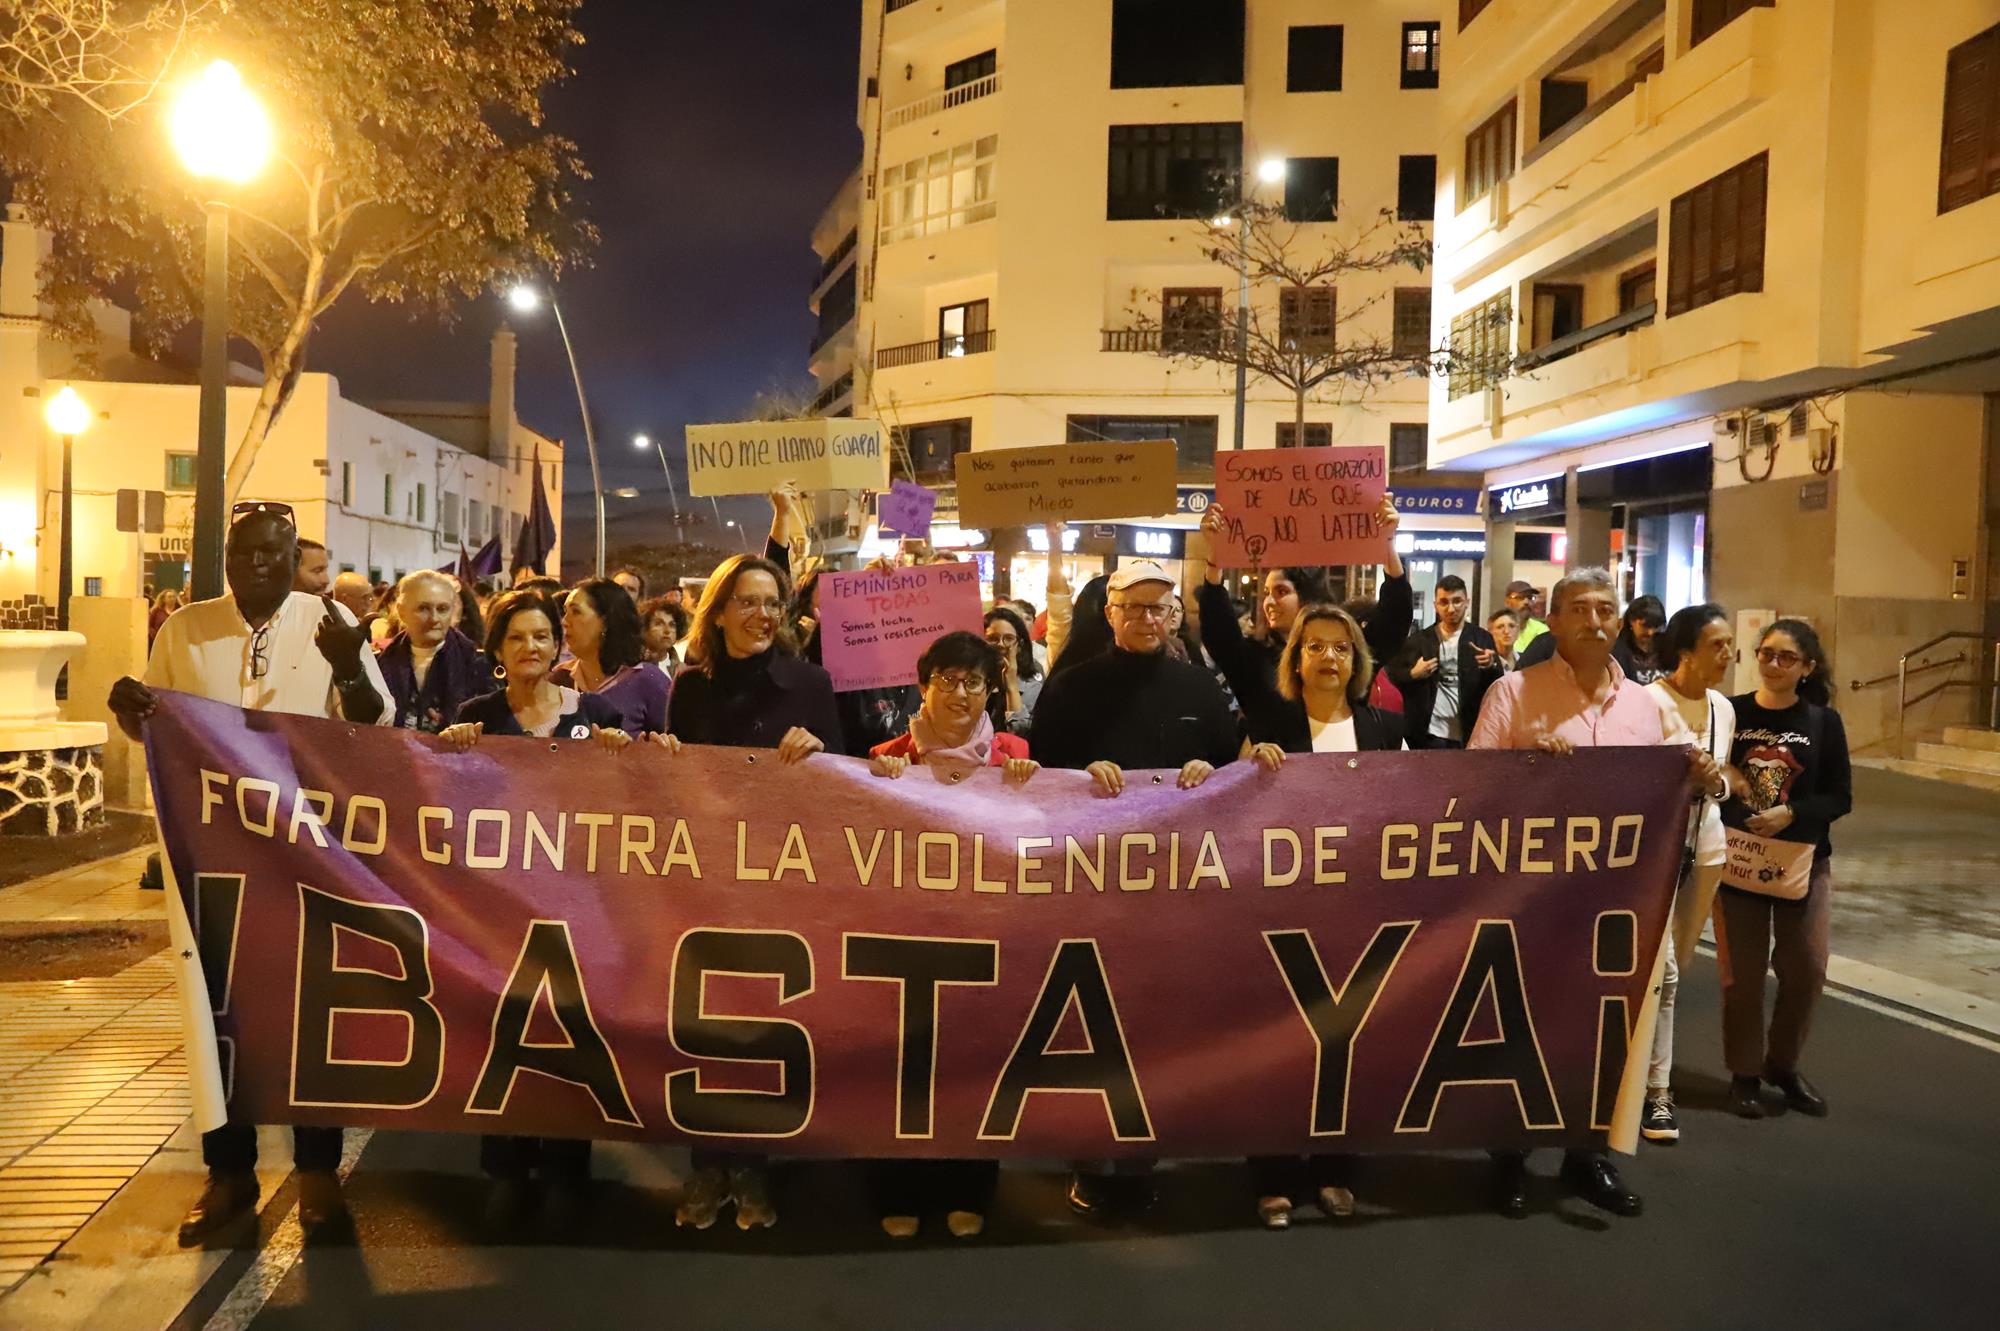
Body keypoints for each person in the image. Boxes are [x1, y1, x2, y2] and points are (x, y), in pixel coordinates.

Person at [106, 501, 391, 1245]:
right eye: (244, 552)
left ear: (294, 554)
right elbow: (159, 725)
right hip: (215, 860)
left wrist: (348, 665)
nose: (257, 564)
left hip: (305, 856)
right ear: (227, 555)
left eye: (272, 551)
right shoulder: (186, 628)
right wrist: (130, 710)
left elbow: (372, 726)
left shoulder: (329, 623)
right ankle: (228, 1172)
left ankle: (318, 1174)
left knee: (306, 1010)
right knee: (216, 1014)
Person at [1468, 566, 1720, 1220]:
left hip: (1617, 905)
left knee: (1604, 1030)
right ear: (1551, 621)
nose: (1595, 620)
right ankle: (1509, 1157)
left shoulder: (1647, 705)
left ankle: (1589, 1156)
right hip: (1532, 900)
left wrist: (1706, 777)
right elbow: (1467, 791)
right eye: (1578, 608)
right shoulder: (1512, 694)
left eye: (1605, 608)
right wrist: (1523, 772)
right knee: (1524, 1026)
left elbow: (1692, 781)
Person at [1028, 558, 1237, 1219]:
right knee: (1084, 1024)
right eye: (1135, 608)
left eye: (1160, 609)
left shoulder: (1201, 691)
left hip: (1172, 892)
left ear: (1174, 615)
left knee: (1155, 1026)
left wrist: (1213, 767)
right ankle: (1088, 1155)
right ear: (1110, 613)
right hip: (1087, 887)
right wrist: (1076, 772)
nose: (1147, 619)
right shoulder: (1069, 687)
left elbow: (1231, 775)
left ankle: (1142, 1155)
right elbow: (1035, 777)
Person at [439, 590, 631, 1231]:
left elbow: (636, 798)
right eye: (518, 638)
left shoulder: (596, 715)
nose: (532, 648)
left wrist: (621, 754)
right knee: (504, 1033)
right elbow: (443, 799)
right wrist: (450, 748)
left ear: (559, 646)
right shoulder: (478, 718)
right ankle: (506, 1172)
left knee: (575, 1033)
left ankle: (567, 1170)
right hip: (499, 911)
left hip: (579, 906)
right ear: (496, 651)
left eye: (544, 636)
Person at [662, 553, 842, 1230]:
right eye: (747, 601)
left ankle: (756, 1167)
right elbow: (671, 780)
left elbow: (847, 775)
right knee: (705, 1024)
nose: (762, 614)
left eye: (772, 601)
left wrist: (819, 751)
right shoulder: (689, 686)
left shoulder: (812, 683)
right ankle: (708, 1168)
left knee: (765, 1023)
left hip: (779, 880)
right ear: (719, 610)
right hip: (705, 882)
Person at [864, 630, 1037, 1240]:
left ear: (989, 689)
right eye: (947, 681)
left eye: (973, 682)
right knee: (902, 1066)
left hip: (984, 939)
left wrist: (1038, 786)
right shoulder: (887, 755)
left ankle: (969, 1187)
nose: (959, 694)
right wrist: (875, 781)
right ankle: (899, 1188)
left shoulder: (1015, 753)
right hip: (907, 939)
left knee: (974, 1064)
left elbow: (1052, 828)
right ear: (923, 685)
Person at [1237, 603, 1403, 1228]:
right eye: (1314, 647)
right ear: (1296, 658)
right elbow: (1234, 807)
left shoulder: (1385, 728)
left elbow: (1408, 807)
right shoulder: (1269, 721)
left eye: (1340, 647)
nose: (1327, 657)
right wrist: (1251, 767)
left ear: (1356, 660)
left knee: (1350, 1042)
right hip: (1283, 907)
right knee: (1279, 1043)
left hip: (1360, 909)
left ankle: (1336, 1170)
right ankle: (1273, 1174)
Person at [1716, 619, 1850, 1122]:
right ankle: (1744, 1074)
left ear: (1807, 667)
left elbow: (1840, 796)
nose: (1773, 665)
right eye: (1766, 654)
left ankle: (1782, 1065)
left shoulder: (1823, 722)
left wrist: (1791, 813)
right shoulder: (1732, 712)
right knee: (1741, 977)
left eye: (1786, 658)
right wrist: (1733, 788)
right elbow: (1714, 778)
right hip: (1740, 860)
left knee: (1808, 968)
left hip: (1803, 863)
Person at [1641, 603, 1738, 1143]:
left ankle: (1651, 1078)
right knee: (1663, 972)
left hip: (1706, 849)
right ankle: (1655, 1091)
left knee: (1675, 967)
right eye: (1717, 645)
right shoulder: (1647, 703)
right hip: (1655, 856)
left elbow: (1723, 785)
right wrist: (1682, 777)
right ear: (1686, 651)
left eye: (1729, 645)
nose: (1727, 654)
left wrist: (1710, 782)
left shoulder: (1724, 708)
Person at [1193, 496, 1412, 715]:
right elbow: (1217, 629)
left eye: (1281, 592)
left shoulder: (1347, 649)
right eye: (1267, 593)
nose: (1269, 602)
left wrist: (1387, 544)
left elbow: (1394, 620)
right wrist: (1216, 554)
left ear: (1308, 596)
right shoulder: (1254, 658)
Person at [1388, 574, 1504, 750]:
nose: (1451, 609)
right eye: (1444, 602)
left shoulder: (1481, 638)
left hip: (1469, 731)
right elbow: (1393, 676)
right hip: (1428, 734)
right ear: (1435, 605)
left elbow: (1497, 684)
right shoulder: (1419, 641)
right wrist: (1413, 674)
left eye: (1457, 601)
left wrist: (1491, 665)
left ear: (1467, 602)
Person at [376, 571, 492, 733]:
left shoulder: (477, 664)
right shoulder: (380, 663)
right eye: (423, 608)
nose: (434, 618)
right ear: (402, 611)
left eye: (442, 609)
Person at [552, 577, 670, 736]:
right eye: (565, 612)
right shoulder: (559, 678)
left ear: (606, 621)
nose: (565, 621)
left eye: (576, 611)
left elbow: (674, 746)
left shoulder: (648, 681)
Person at [983, 605, 1042, 735]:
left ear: (1020, 644)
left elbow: (1021, 734)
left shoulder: (1031, 686)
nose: (1001, 644)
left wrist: (1012, 685)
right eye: (993, 639)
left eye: (1008, 639)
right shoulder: (976, 679)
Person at [1612, 595, 1669, 685]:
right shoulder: (1618, 652)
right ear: (1631, 620)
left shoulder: (1666, 647)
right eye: (1645, 626)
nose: (1650, 632)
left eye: (1655, 626)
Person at [638, 594, 689, 672]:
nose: (667, 630)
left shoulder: (682, 671)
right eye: (659, 624)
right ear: (645, 628)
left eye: (672, 625)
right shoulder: (632, 666)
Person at [1504, 580, 1548, 652]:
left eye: (1530, 597)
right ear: (1507, 602)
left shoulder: (1542, 630)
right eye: (1520, 597)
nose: (1526, 602)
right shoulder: (1498, 630)